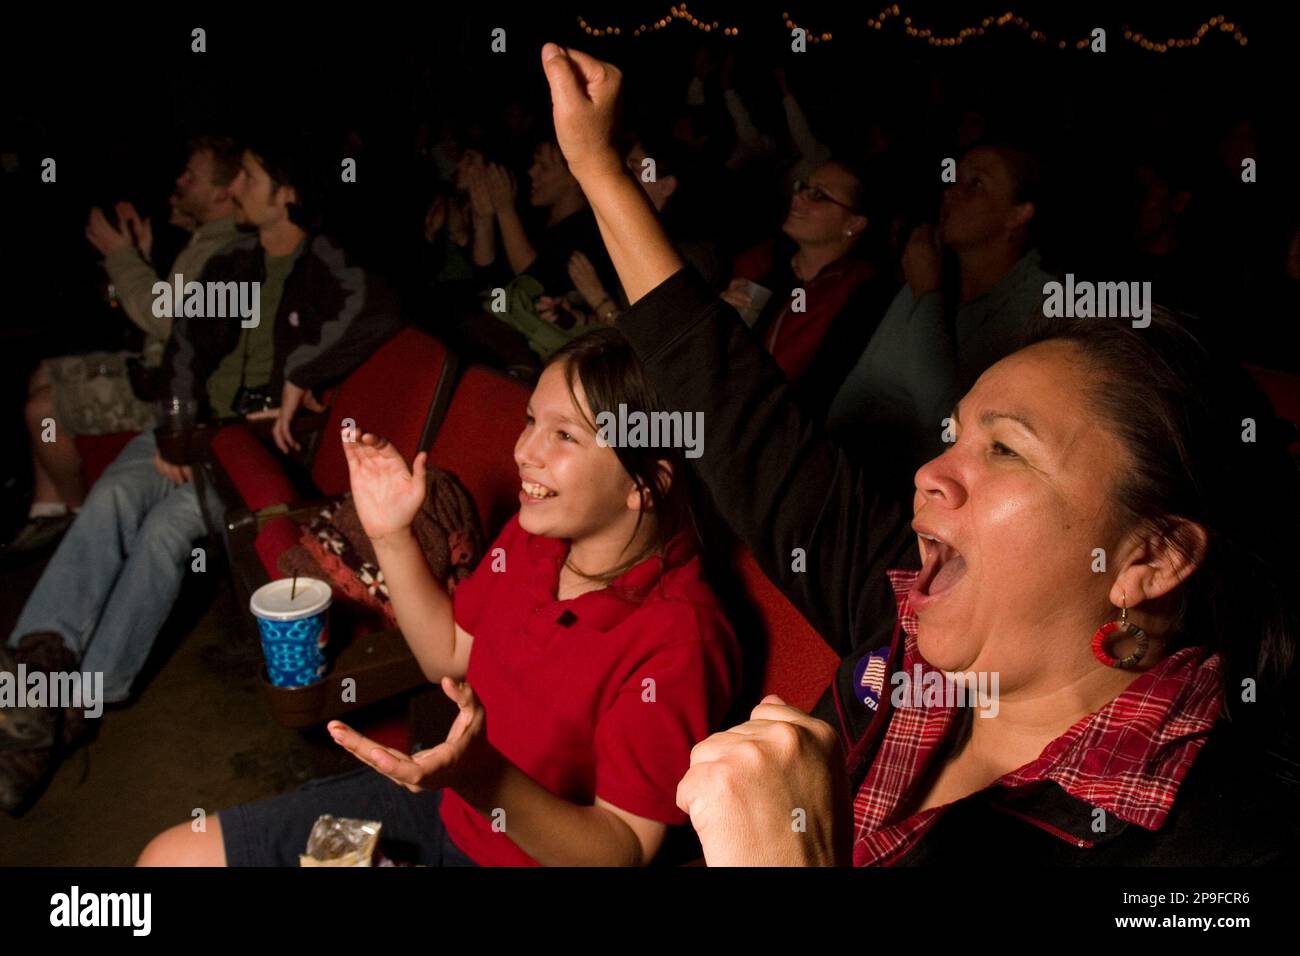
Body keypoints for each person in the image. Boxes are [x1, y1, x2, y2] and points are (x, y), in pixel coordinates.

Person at [541, 44, 1300, 866]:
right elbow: (731, 409)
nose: (931, 474)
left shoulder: (1224, 844)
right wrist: (596, 163)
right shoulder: (904, 613)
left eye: (1005, 449)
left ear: (1149, 557)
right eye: (955, 435)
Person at [137, 327, 741, 866]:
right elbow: (446, 654)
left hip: (504, 837)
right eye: (530, 419)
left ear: (646, 483)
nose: (524, 449)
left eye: (564, 435)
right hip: (442, 806)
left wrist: (486, 780)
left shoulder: (681, 639)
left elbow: (625, 848)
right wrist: (390, 532)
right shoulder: (538, 538)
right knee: (171, 856)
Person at [0, 135, 403, 813]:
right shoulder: (235, 260)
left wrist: (303, 375)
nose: (234, 188)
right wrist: (178, 432)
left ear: (288, 193)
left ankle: (62, 710)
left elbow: (381, 307)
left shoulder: (325, 262)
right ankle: (35, 679)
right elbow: (187, 346)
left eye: (248, 176)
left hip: (253, 453)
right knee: (116, 495)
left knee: (164, 533)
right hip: (197, 434)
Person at [7, 137, 242, 556]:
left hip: (176, 390)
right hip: (153, 365)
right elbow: (166, 313)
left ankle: (79, 520)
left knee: (41, 409)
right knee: (42, 373)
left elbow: (166, 319)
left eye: (191, 176)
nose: (180, 181)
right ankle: (45, 510)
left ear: (223, 191)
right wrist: (139, 259)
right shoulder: (205, 237)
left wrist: (121, 257)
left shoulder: (227, 246)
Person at [825, 139, 1056, 483]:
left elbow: (948, 421)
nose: (951, 193)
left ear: (1018, 214)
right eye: (954, 180)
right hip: (843, 477)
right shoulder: (932, 273)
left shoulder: (1041, 306)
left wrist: (927, 295)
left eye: (975, 184)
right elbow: (863, 384)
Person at [720, 160, 893, 417]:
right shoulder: (763, 266)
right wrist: (719, 317)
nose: (798, 197)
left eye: (818, 195)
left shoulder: (862, 294)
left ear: (854, 224)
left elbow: (822, 387)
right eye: (803, 187)